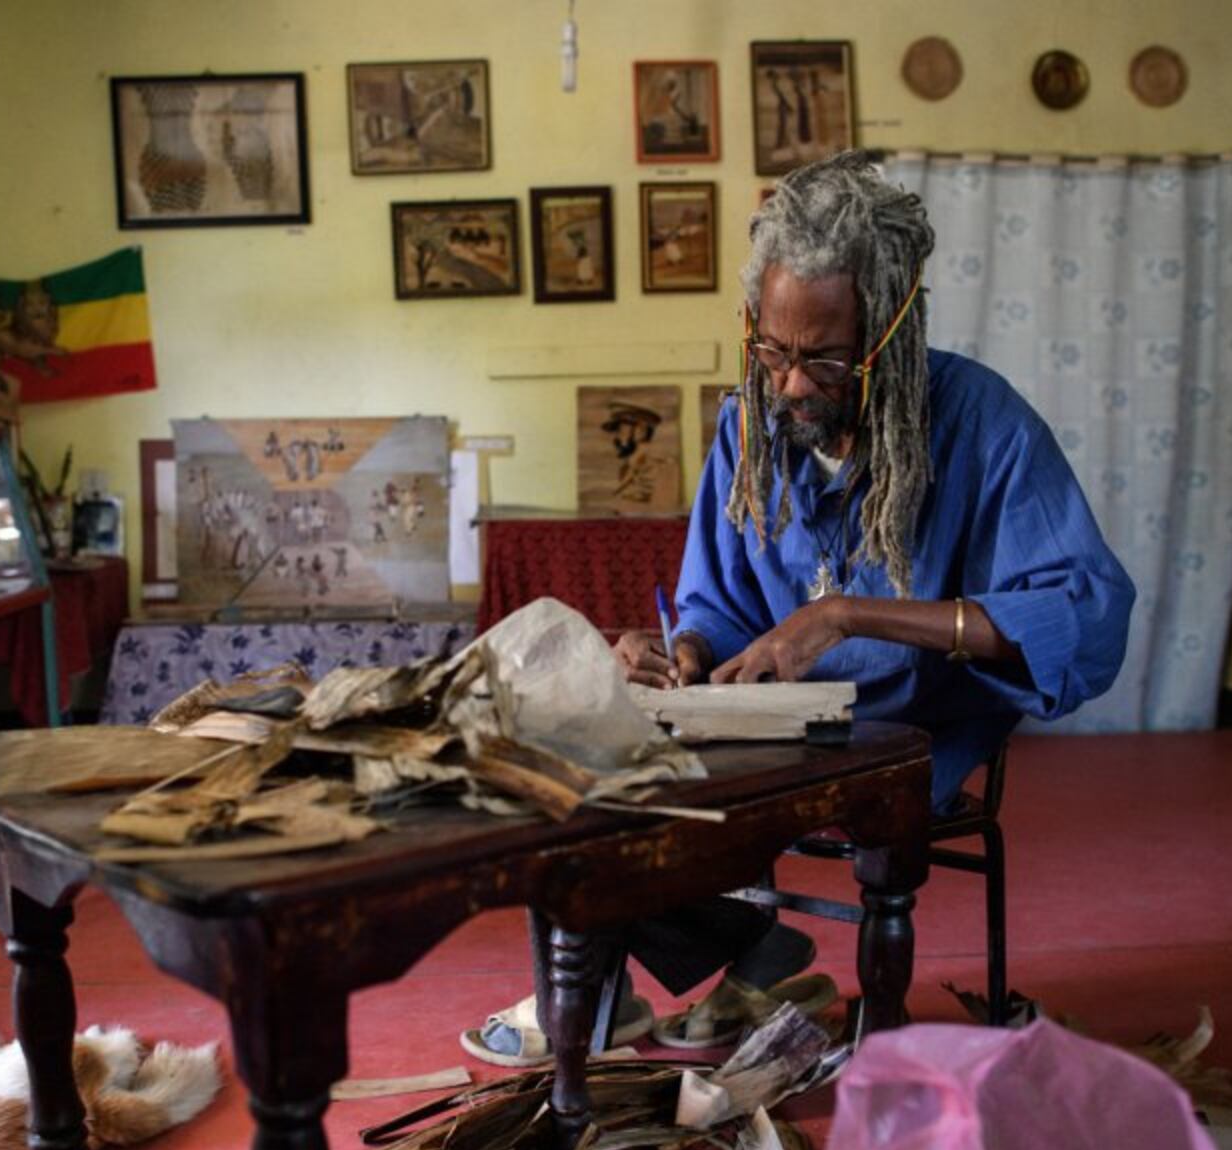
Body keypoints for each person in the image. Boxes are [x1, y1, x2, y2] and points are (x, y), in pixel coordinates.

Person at [464, 151, 1134, 1065]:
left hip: (908, 730)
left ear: (890, 333)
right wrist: (686, 649)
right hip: (772, 725)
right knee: (584, 761)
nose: (787, 386)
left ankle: (706, 961)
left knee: (719, 798)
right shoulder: (753, 425)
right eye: (771, 351)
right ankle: (645, 977)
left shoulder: (983, 423)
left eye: (822, 359)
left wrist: (851, 616)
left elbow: (1083, 614)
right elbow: (715, 601)